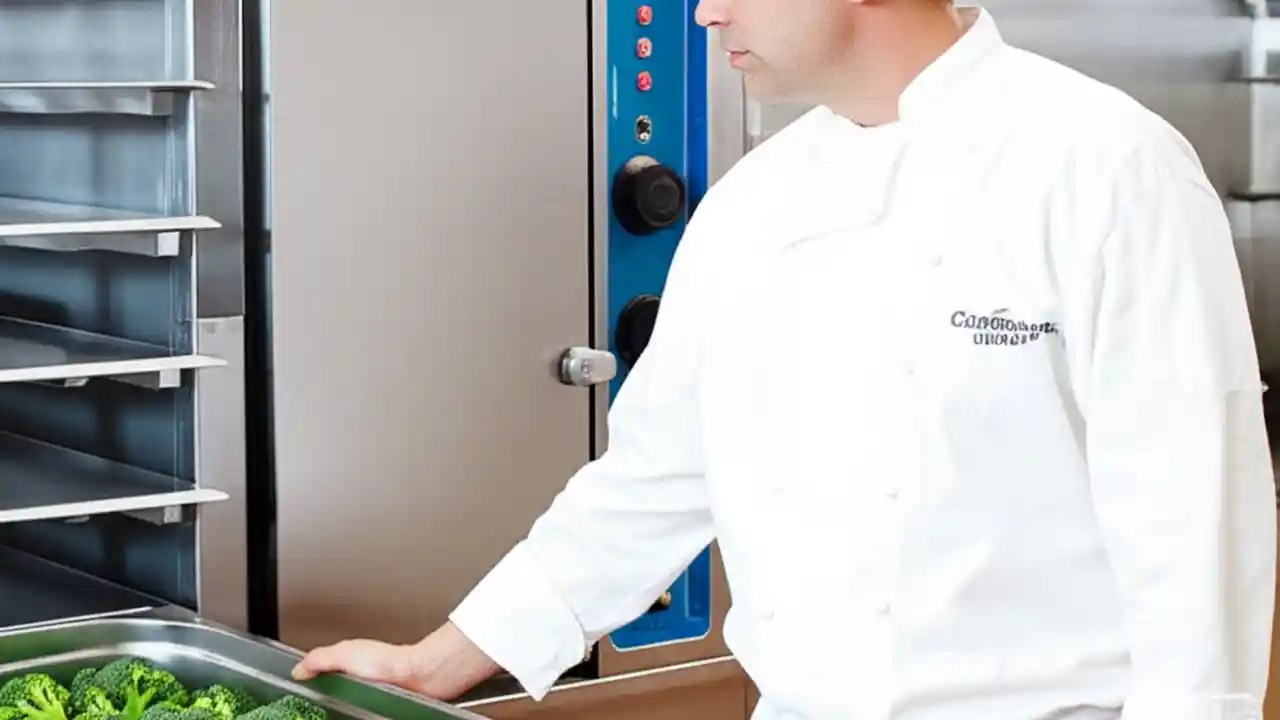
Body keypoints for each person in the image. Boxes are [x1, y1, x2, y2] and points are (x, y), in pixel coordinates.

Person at [292, 1, 1279, 717]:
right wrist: (439, 661)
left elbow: (1191, 521)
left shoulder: (1109, 167)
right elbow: (653, 482)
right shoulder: (752, 205)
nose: (704, 13)